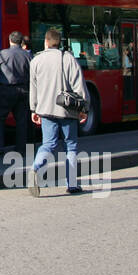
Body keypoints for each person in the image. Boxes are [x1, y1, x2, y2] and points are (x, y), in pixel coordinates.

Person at [27, 28, 89, 196]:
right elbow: (79, 85)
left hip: (45, 110)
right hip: (67, 110)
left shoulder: (36, 60)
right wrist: (84, 108)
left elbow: (33, 88)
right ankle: (72, 184)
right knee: (71, 145)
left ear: (46, 42)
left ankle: (35, 168)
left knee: (48, 144)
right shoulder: (68, 58)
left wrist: (34, 109)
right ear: (59, 42)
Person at [0, 31, 32, 157]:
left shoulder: (3, 54)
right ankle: (21, 149)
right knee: (22, 120)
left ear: (10, 40)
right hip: (24, 90)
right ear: (21, 41)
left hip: (5, 90)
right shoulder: (27, 55)